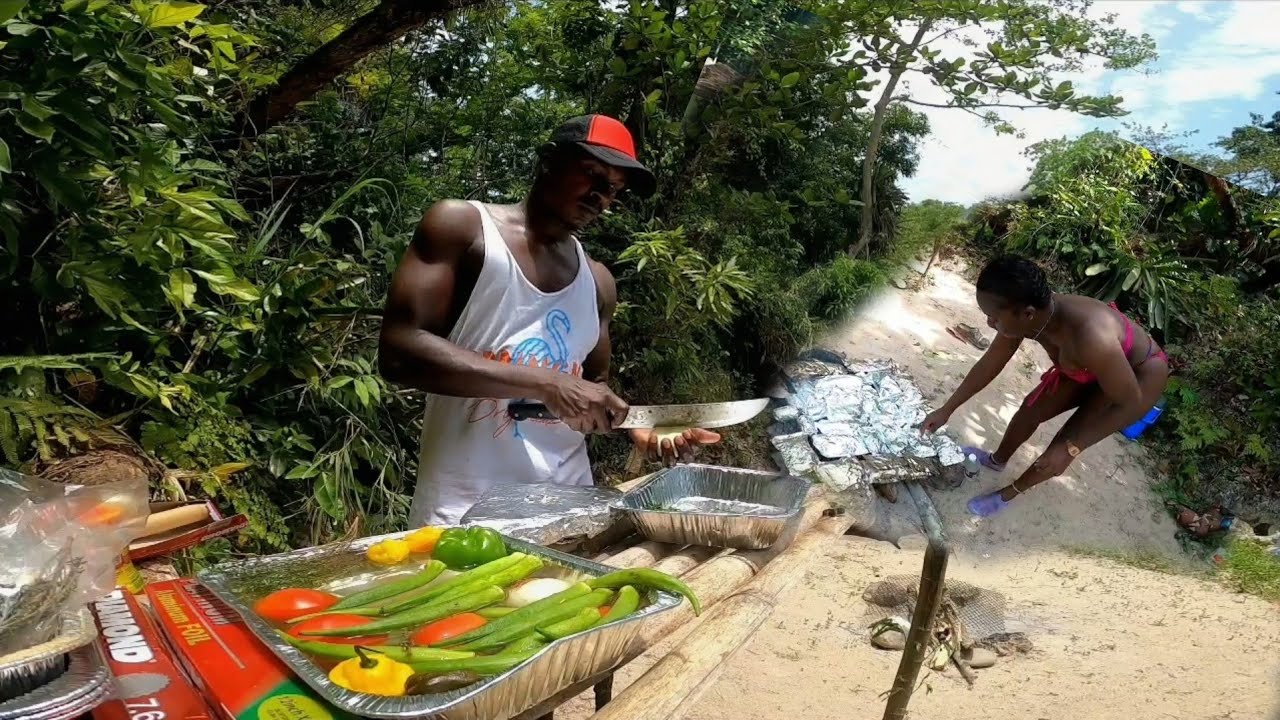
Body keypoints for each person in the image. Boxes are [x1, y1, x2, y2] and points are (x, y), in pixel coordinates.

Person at [378, 115, 721, 525]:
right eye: (592, 175)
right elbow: (399, 351)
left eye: (613, 189)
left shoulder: (598, 282)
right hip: (465, 509)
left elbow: (591, 388)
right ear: (548, 161)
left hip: (567, 506)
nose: (600, 197)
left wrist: (636, 429)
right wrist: (547, 382)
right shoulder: (464, 229)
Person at [919, 254, 1170, 517]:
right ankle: (997, 460)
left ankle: (1009, 493)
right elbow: (990, 363)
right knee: (1030, 410)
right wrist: (947, 409)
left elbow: (1129, 403)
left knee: (1063, 446)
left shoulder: (1091, 336)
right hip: (1088, 365)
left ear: (1027, 314)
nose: (989, 324)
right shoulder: (1028, 317)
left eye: (993, 317)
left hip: (1135, 377)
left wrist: (1074, 446)